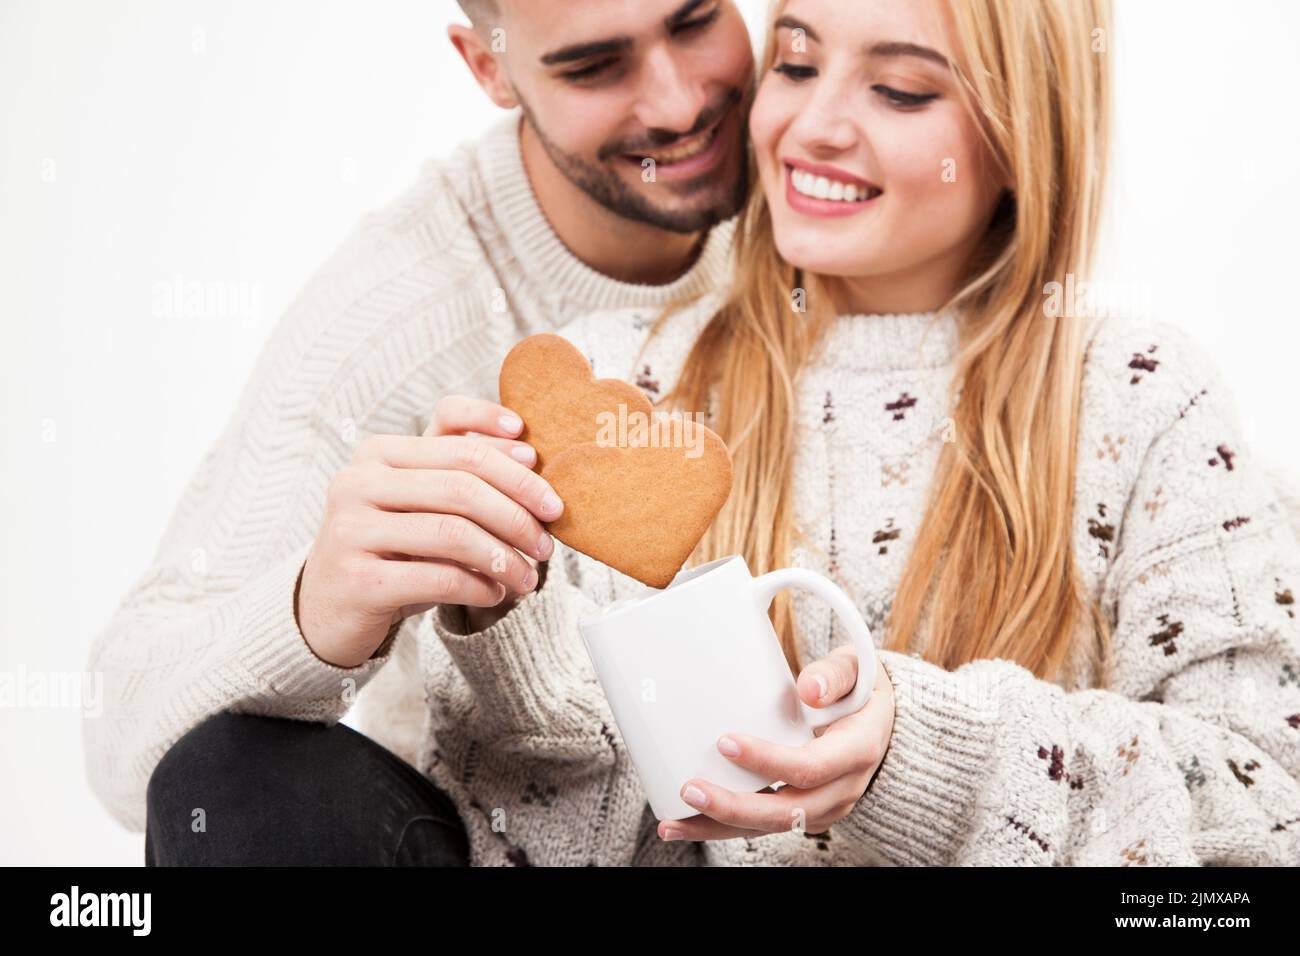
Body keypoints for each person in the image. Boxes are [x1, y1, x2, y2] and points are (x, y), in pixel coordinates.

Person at [405, 0, 1300, 865]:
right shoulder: (618, 393)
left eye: (902, 91)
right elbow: (519, 838)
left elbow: (1267, 814)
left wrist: (928, 758)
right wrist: (507, 638)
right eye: (795, 63)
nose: (812, 124)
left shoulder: (1142, 398)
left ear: (1026, 131)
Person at [83, 0, 758, 864]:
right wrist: (314, 613)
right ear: (489, 68)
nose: (675, 103)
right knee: (229, 775)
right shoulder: (394, 315)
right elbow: (117, 745)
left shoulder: (837, 180)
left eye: (696, 19)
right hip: (499, 841)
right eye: (594, 66)